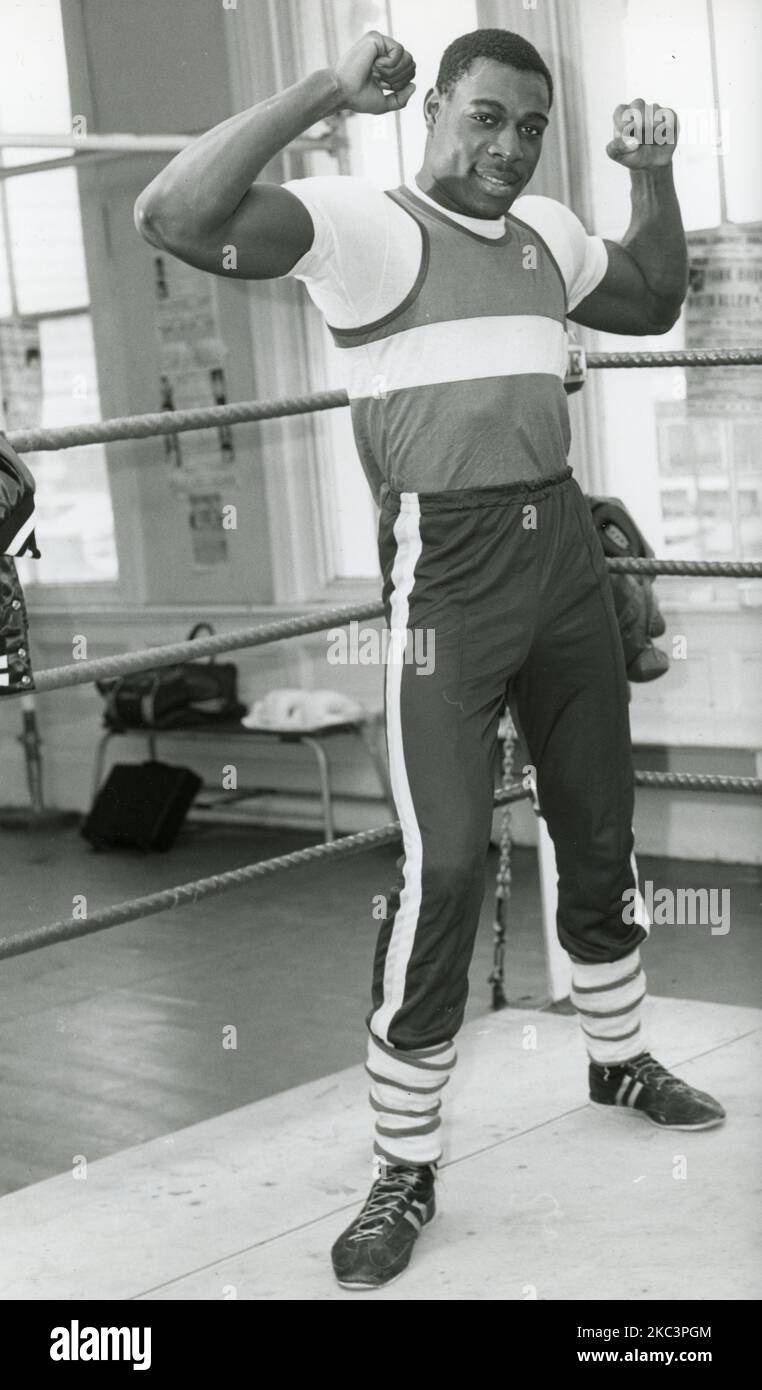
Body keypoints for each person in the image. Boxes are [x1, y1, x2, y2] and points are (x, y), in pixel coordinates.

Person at [135, 26, 726, 1292]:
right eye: (484, 117)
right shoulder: (361, 226)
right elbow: (172, 215)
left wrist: (653, 173)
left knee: (601, 826)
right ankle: (405, 1162)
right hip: (448, 589)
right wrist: (325, 89)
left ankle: (616, 1053)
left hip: (563, 557)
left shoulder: (549, 237)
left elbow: (657, 297)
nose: (506, 146)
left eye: (529, 126)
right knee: (447, 861)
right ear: (433, 110)